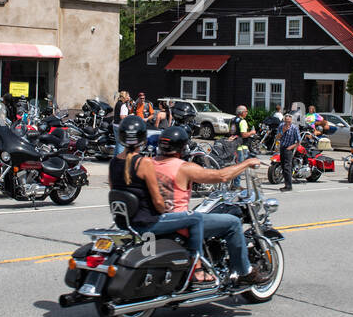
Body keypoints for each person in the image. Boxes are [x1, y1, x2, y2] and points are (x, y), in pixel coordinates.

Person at [152, 125, 262, 284]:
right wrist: (246, 163)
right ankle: (244, 271)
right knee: (233, 223)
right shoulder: (183, 168)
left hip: (159, 221)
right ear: (182, 147)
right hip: (180, 223)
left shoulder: (150, 163)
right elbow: (222, 176)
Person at [108, 116, 207, 287]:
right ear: (143, 138)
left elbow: (114, 190)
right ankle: (196, 268)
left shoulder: (113, 162)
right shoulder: (144, 162)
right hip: (145, 223)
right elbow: (158, 201)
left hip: (124, 223)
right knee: (196, 218)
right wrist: (166, 209)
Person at [277, 113, 301, 192]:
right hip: (282, 147)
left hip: (289, 148)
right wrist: (283, 131)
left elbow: (298, 141)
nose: (287, 123)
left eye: (289, 121)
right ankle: (286, 184)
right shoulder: (281, 126)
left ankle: (289, 186)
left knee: (287, 167)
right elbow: (277, 137)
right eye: (286, 121)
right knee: (283, 166)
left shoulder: (294, 128)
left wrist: (291, 147)